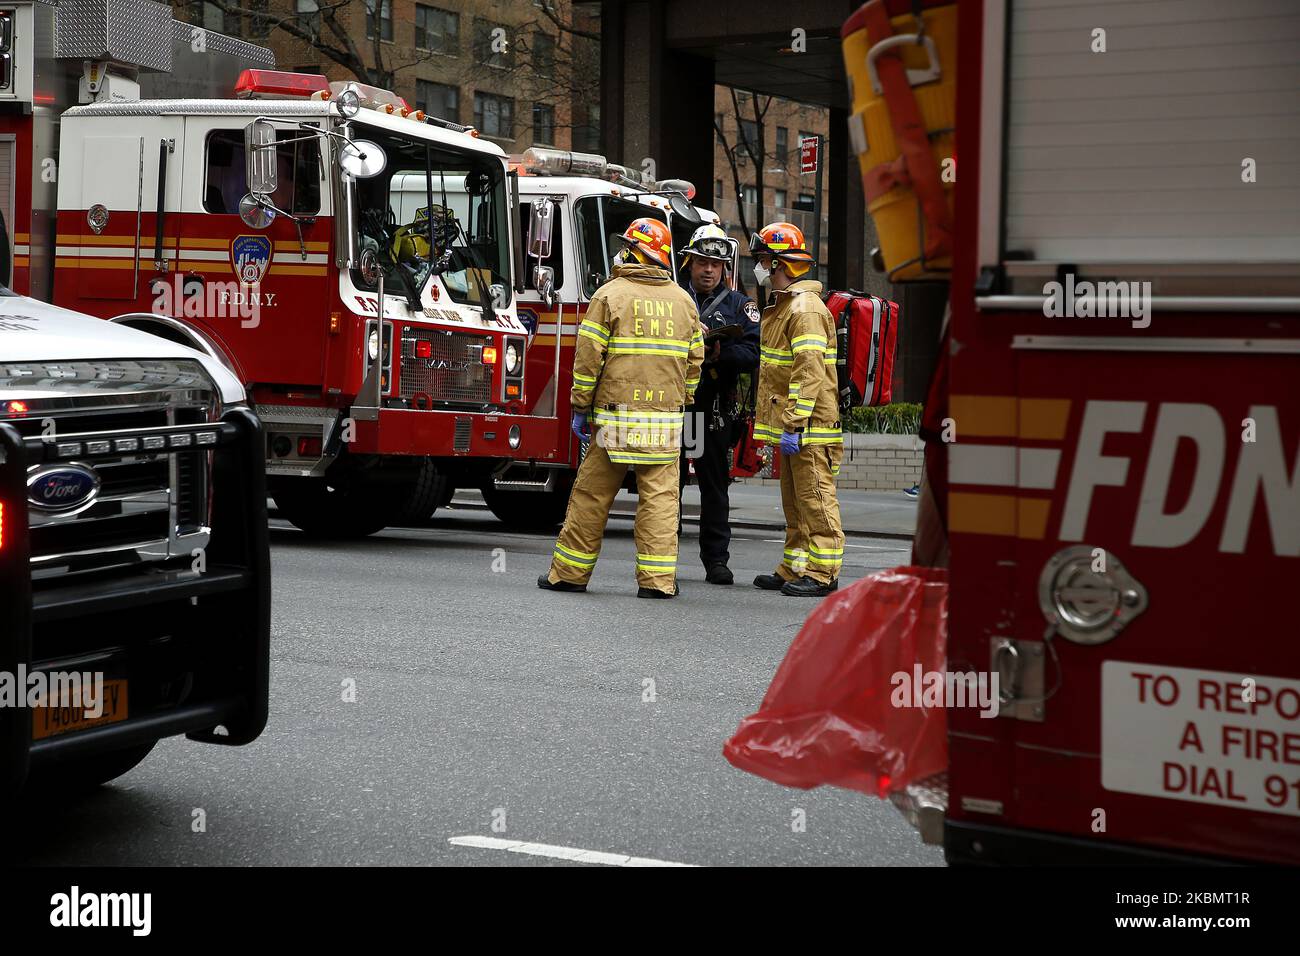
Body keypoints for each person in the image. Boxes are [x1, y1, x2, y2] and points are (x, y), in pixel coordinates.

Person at [538, 217, 704, 598]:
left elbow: (588, 357)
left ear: (634, 251)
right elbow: (694, 363)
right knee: (661, 502)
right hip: (664, 421)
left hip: (616, 419)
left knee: (591, 496)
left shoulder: (610, 295)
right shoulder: (683, 301)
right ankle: (658, 583)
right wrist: (683, 399)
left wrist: (581, 406)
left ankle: (568, 575)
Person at [748, 221, 844, 598]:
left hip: (808, 427)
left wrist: (795, 422)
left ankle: (823, 572)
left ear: (778, 264)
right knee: (796, 502)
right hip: (795, 426)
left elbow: (808, 370)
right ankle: (795, 565)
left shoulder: (804, 310)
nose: (758, 268)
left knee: (817, 500)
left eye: (762, 261)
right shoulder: (787, 306)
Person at [677, 224, 759, 585]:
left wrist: (720, 354)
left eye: (716, 263)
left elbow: (755, 352)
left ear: (725, 268)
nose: (709, 269)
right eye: (702, 262)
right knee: (667, 480)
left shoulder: (741, 306)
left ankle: (716, 561)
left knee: (714, 483)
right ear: (689, 263)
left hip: (709, 409)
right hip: (673, 405)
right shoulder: (672, 299)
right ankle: (661, 554)